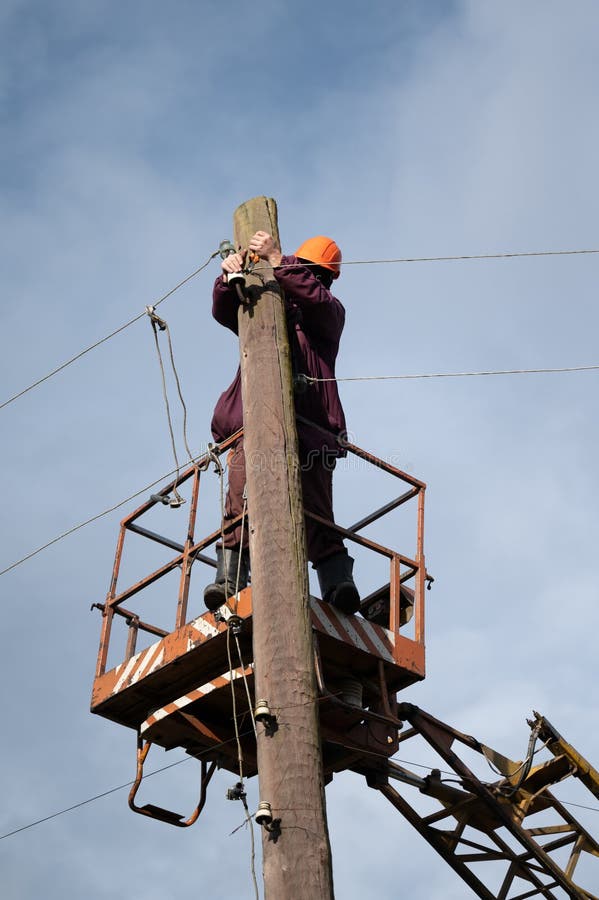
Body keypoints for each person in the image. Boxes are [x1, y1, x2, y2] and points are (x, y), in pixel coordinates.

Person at [204, 229, 360, 615]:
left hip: (312, 432)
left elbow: (316, 298)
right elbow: (225, 308)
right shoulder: (266, 309)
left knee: (318, 512)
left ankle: (338, 585)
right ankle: (230, 579)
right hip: (252, 429)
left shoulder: (328, 315)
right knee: (238, 502)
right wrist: (229, 277)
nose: (308, 280)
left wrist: (278, 260)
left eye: (312, 274)